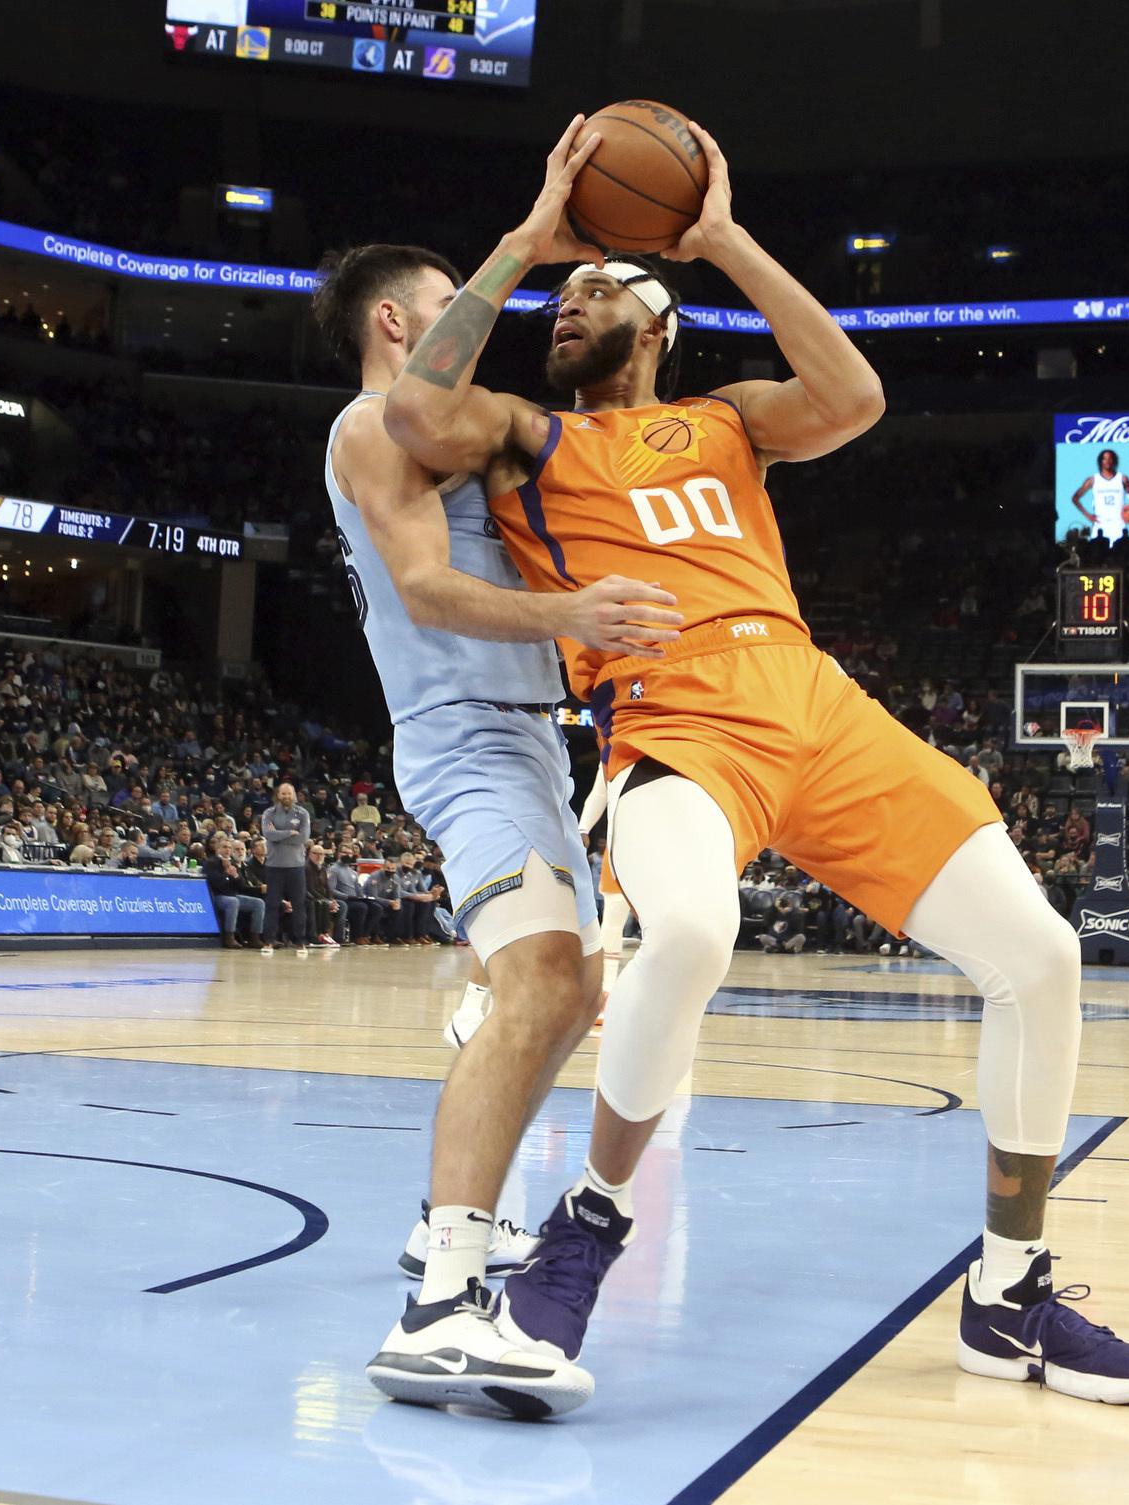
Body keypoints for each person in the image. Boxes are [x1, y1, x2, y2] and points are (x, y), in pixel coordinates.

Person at [377, 115, 1129, 1410]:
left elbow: (856, 398)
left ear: (661, 321)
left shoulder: (729, 419)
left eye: (595, 288)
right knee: (687, 932)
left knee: (1044, 958)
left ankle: (1008, 1292)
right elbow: (415, 408)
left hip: (812, 697)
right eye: (558, 298)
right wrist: (533, 234)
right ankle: (587, 1222)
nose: (567, 306)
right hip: (675, 721)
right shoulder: (528, 438)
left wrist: (721, 237)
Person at [315, 173, 692, 1418]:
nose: (483, 330)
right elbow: (427, 590)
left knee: (576, 983)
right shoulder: (373, 425)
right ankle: (438, 1308)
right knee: (538, 979)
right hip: (465, 735)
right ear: (394, 328)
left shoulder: (453, 434)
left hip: (523, 739)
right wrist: (576, 614)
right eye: (454, 310)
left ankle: (445, 1245)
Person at [258, 782, 313, 956]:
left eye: (289, 793)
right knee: (272, 905)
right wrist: (290, 832)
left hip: (296, 866)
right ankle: (268, 941)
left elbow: (303, 838)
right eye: (283, 793)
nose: (286, 796)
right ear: (278, 795)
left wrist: (279, 834)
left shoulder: (303, 813)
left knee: (299, 905)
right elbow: (268, 834)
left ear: (294, 795)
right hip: (274, 866)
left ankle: (300, 942)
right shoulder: (269, 813)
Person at [1069, 448, 1129, 544]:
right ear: (1100, 461)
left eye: (1110, 458)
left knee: (1118, 554)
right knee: (1097, 555)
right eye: (1104, 459)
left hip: (1118, 524)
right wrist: (1088, 515)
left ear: (1114, 461)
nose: (1107, 461)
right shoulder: (1093, 480)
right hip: (1100, 524)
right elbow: (1075, 498)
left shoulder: (1122, 479)